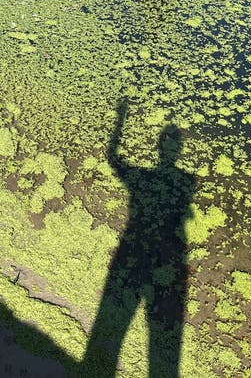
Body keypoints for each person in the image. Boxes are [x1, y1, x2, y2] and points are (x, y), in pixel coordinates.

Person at [81, 100, 195, 377]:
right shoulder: (187, 181)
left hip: (131, 254)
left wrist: (120, 121)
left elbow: (113, 158)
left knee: (112, 327)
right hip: (168, 258)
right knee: (162, 337)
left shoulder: (142, 178)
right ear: (177, 150)